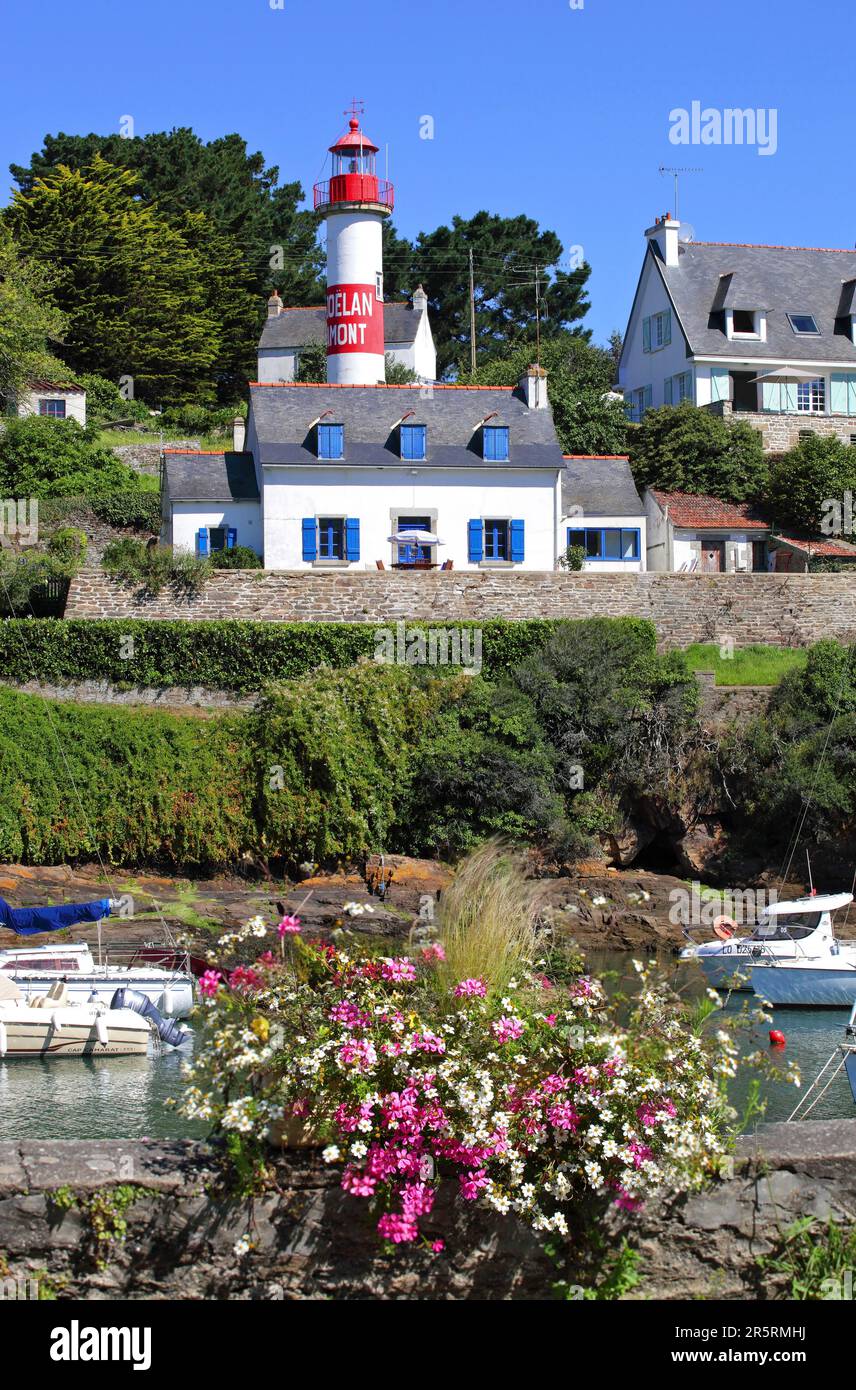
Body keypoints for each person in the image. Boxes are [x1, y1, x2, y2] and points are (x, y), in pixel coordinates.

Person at [0, 896, 116, 937]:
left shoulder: (7, 917)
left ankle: (102, 907)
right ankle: (102, 907)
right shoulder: (8, 917)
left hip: (32, 920)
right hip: (35, 920)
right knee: (71, 915)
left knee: (71, 914)